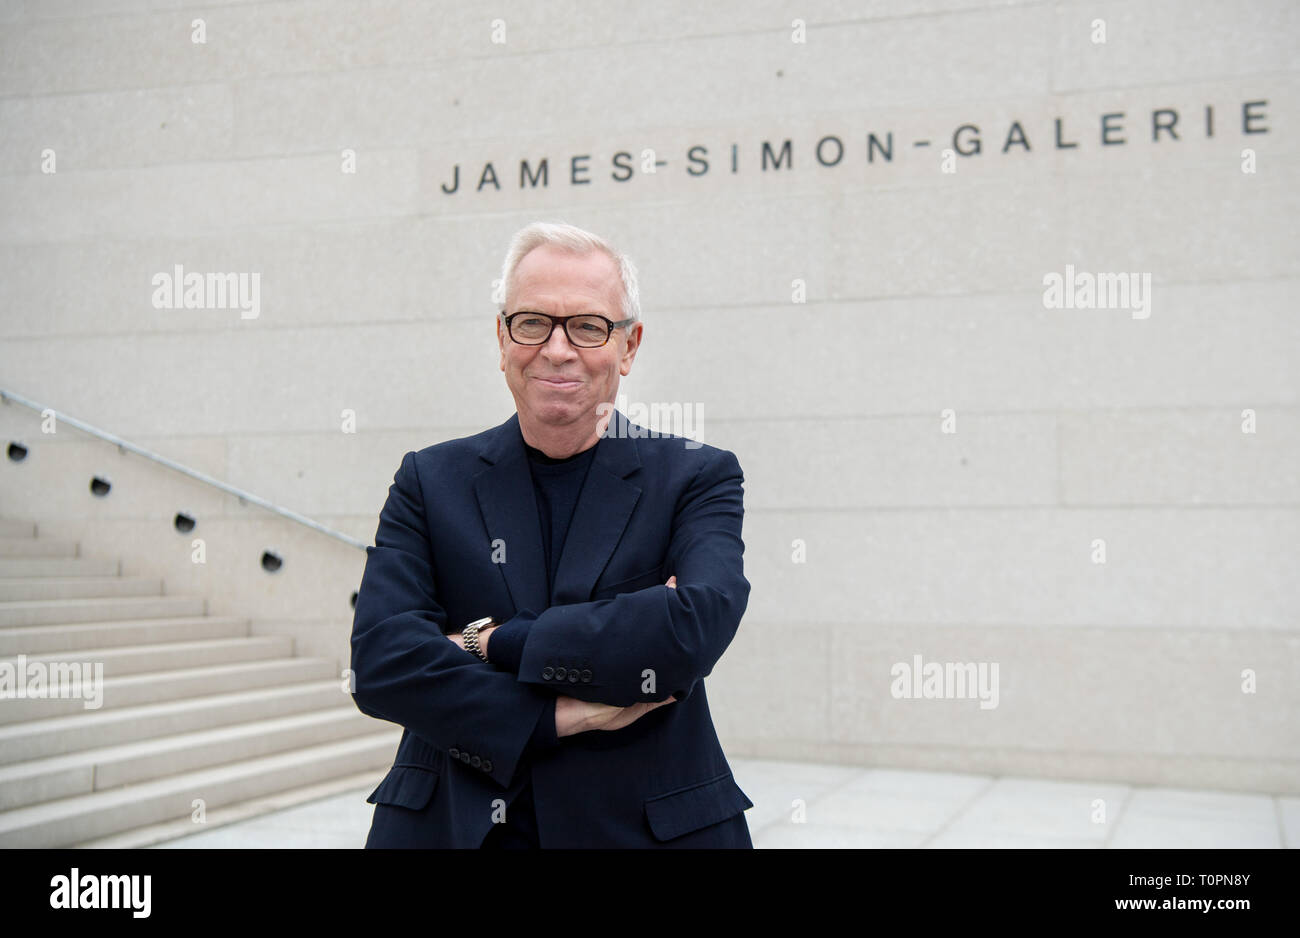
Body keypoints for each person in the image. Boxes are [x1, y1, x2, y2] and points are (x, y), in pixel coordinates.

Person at [350, 221, 753, 848]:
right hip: (453, 826)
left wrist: (491, 642)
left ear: (629, 345)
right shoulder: (430, 479)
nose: (558, 349)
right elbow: (383, 662)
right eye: (533, 322)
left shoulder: (697, 475)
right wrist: (556, 715)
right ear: (502, 336)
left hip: (643, 830)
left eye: (588, 326)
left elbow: (692, 628)